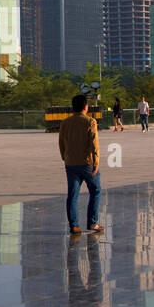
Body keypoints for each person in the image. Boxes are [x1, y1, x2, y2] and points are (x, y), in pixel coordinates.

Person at [58, 94, 103, 234]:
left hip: (71, 163)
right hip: (87, 162)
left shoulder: (65, 122)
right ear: (85, 106)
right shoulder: (90, 121)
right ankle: (92, 222)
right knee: (95, 190)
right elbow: (94, 144)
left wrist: (65, 157)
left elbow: (61, 142)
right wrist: (96, 162)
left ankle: (74, 225)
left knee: (72, 195)